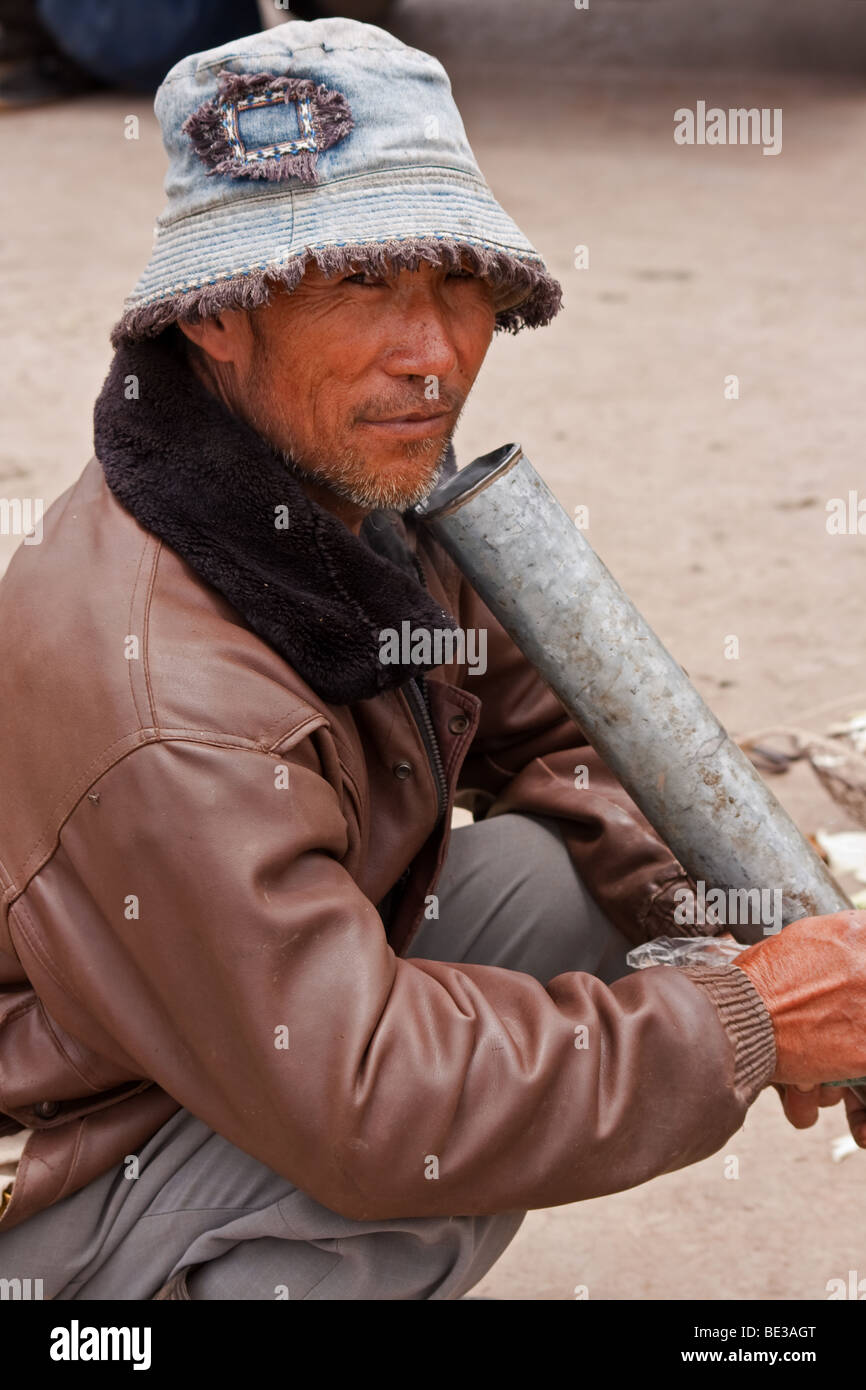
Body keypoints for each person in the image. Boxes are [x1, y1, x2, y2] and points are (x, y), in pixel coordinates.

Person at [1, 17, 864, 1302]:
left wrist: (782, 950)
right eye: (361, 285)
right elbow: (367, 1100)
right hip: (59, 1175)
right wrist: (747, 1023)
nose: (435, 354)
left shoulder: (329, 480)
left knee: (561, 880)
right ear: (217, 318)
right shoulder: (164, 706)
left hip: (200, 1036)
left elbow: (564, 739)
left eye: (458, 284)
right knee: (405, 1172)